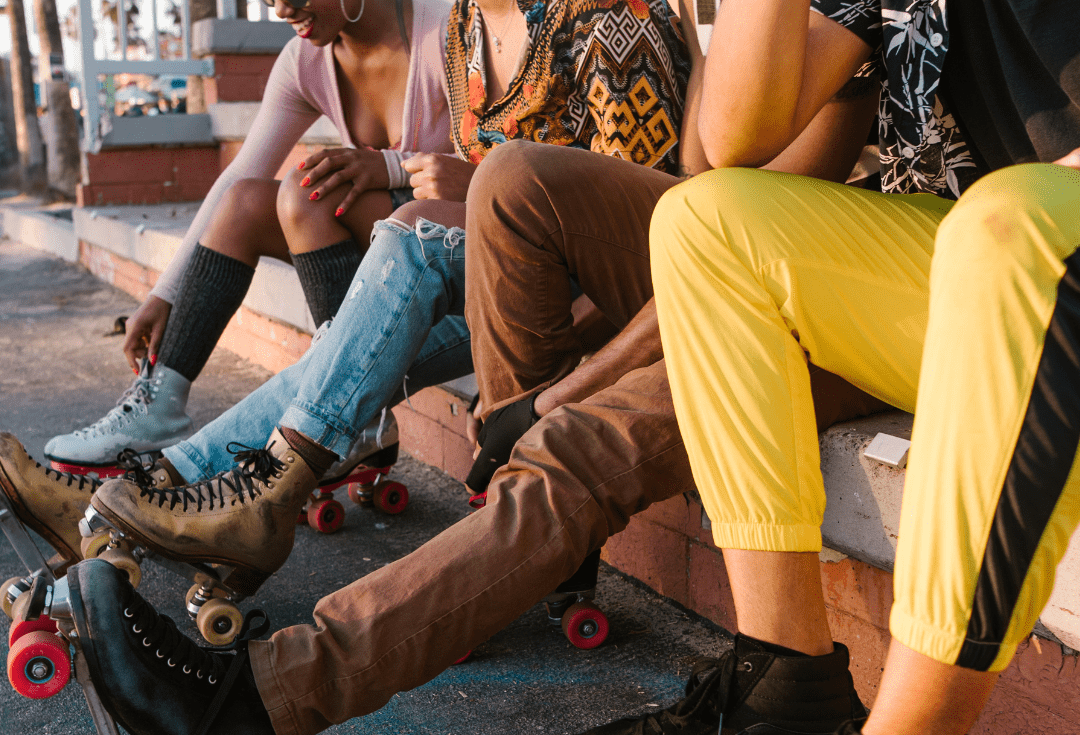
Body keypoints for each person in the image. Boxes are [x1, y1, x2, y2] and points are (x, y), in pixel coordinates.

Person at [27, 21, 892, 735]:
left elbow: (727, 229)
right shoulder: (469, 30)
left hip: (845, 287)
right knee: (513, 181)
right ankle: (238, 484)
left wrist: (552, 399)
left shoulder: (620, 21)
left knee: (567, 437)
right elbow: (715, 172)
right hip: (782, 253)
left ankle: (250, 703)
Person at [576, 0, 1080, 735]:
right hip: (1001, 259)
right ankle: (783, 691)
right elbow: (733, 140)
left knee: (1008, 226)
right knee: (708, 223)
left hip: (1031, 239)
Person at [58, 0, 695, 603]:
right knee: (356, 317)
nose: (280, 8)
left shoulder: (606, 17)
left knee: (407, 242)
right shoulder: (466, 24)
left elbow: (636, 229)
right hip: (508, 271)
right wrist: (166, 291)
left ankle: (225, 489)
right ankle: (170, 481)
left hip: (594, 291)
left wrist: (562, 362)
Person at [44, 0, 455, 475]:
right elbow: (241, 171)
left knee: (310, 193)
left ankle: (352, 415)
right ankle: (159, 406)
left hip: (449, 240)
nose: (281, 9)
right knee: (244, 202)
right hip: (385, 242)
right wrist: (166, 294)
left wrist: (389, 166)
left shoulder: (442, 28)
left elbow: (498, 162)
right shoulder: (306, 60)